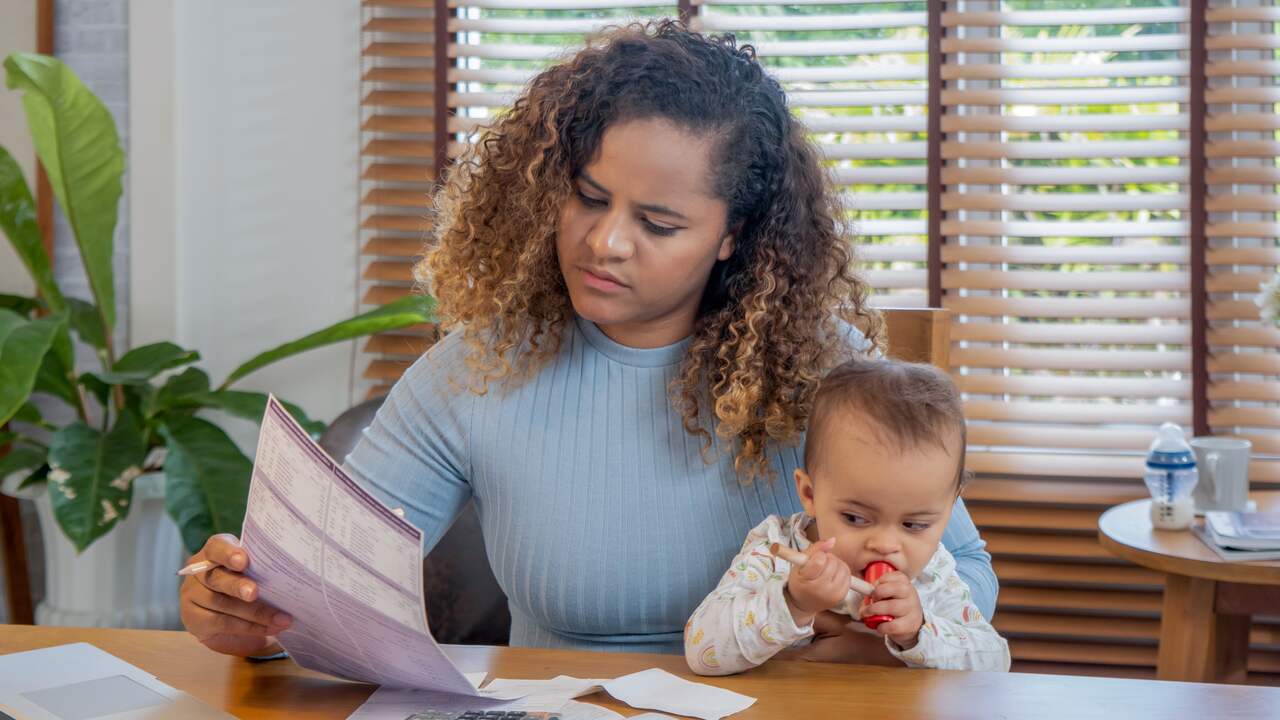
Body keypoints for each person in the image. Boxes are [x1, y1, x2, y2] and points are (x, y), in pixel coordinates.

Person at [178, 20, 997, 661]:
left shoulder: (829, 370)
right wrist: (244, 611)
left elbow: (971, 583)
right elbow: (318, 588)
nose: (605, 242)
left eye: (658, 222)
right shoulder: (476, 369)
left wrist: (876, 630)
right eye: (588, 198)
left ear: (732, 235)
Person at [684, 359, 1010, 674]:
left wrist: (918, 631)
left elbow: (995, 662)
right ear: (809, 494)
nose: (884, 545)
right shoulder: (775, 551)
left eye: (914, 525)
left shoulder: (932, 574)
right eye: (855, 518)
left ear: (950, 509)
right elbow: (703, 653)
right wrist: (793, 602)